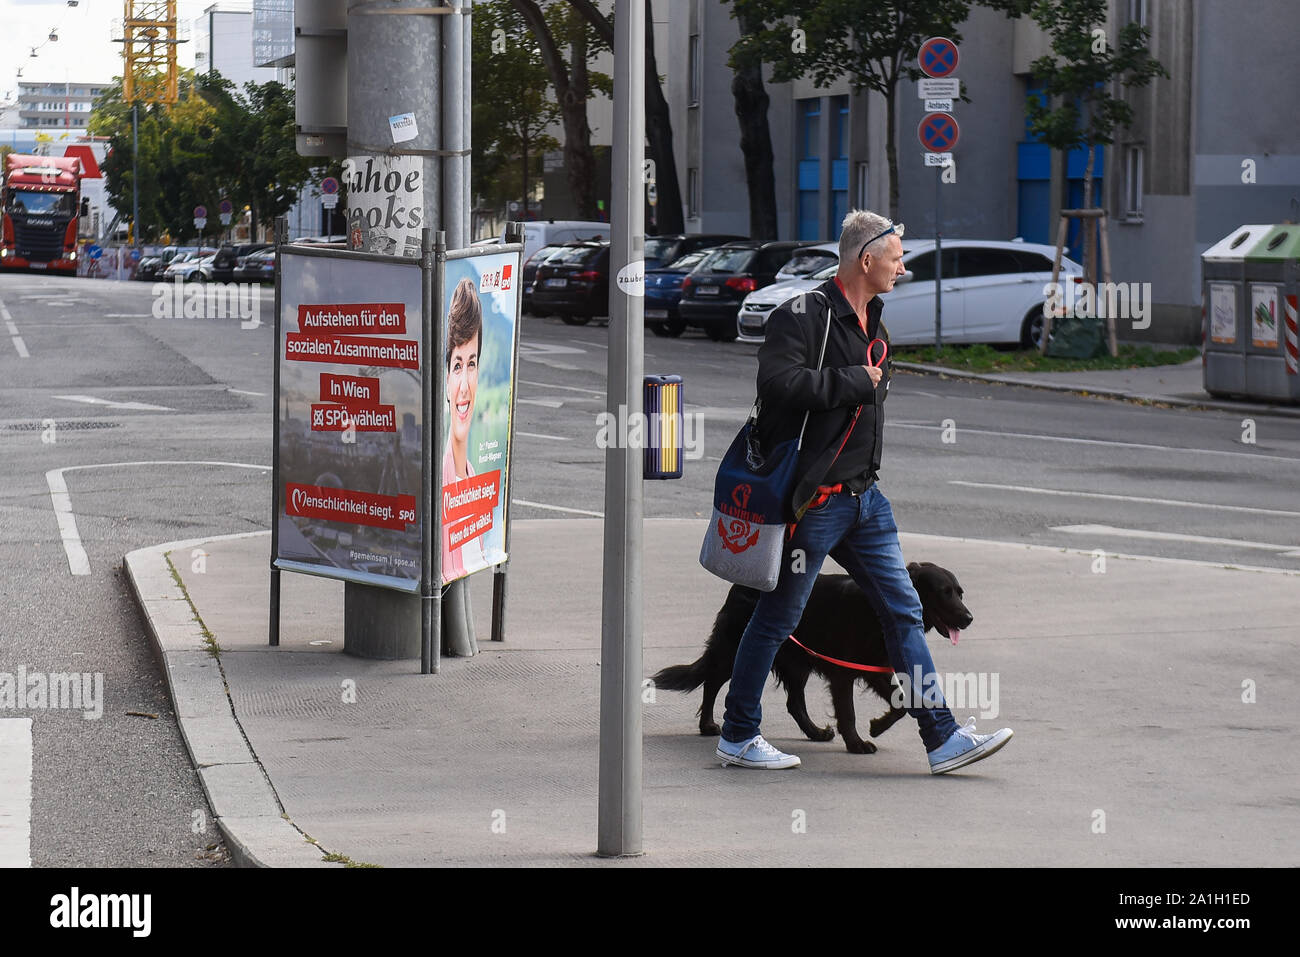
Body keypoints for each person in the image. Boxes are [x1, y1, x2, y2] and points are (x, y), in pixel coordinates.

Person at [715, 209, 1014, 774]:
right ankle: (738, 735)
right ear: (866, 258)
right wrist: (855, 380)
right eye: (897, 258)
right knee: (777, 619)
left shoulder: (873, 318)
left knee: (903, 611)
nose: (902, 268)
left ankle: (943, 738)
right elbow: (777, 385)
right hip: (815, 500)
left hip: (865, 500)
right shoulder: (801, 316)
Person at [441, 276, 485, 582]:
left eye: (471, 364)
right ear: (445, 378)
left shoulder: (473, 483)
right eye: (457, 366)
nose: (465, 386)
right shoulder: (436, 483)